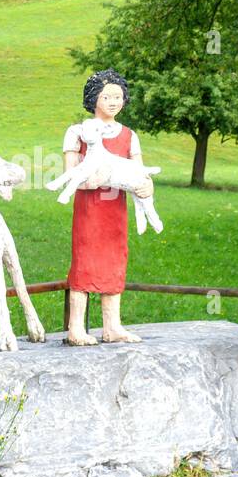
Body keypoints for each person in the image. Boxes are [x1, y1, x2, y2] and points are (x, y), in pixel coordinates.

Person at [63, 69, 154, 345]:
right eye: (107, 96)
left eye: (118, 96)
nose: (113, 101)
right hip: (90, 210)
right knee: (85, 260)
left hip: (116, 211)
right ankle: (76, 328)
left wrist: (147, 186)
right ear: (93, 99)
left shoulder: (129, 135)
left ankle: (112, 326)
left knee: (115, 258)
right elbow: (71, 173)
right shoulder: (78, 132)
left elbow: (139, 171)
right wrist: (95, 179)